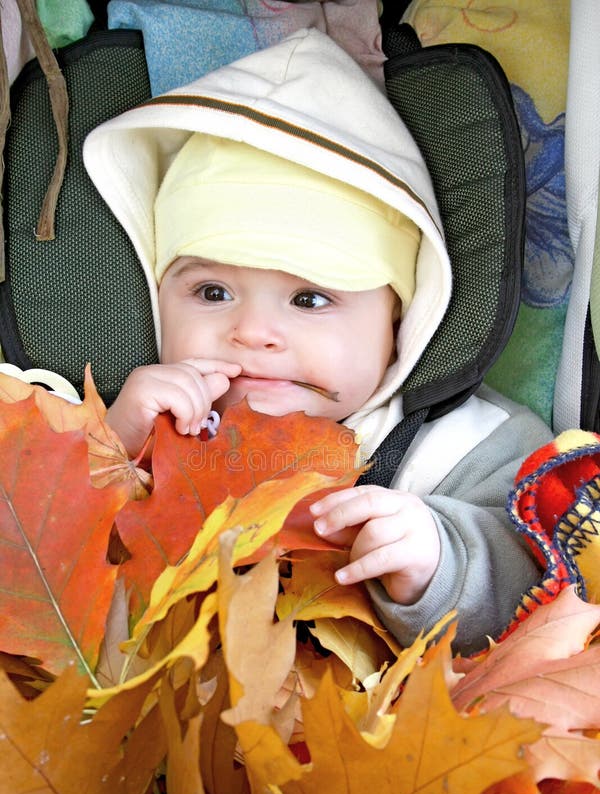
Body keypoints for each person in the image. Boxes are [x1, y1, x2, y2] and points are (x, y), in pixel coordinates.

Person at [83, 28, 553, 656]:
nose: (252, 332)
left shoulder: (469, 448)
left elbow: (546, 591)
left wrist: (437, 565)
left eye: (309, 299)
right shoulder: (143, 422)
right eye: (212, 292)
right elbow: (46, 552)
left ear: (399, 317)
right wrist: (113, 450)